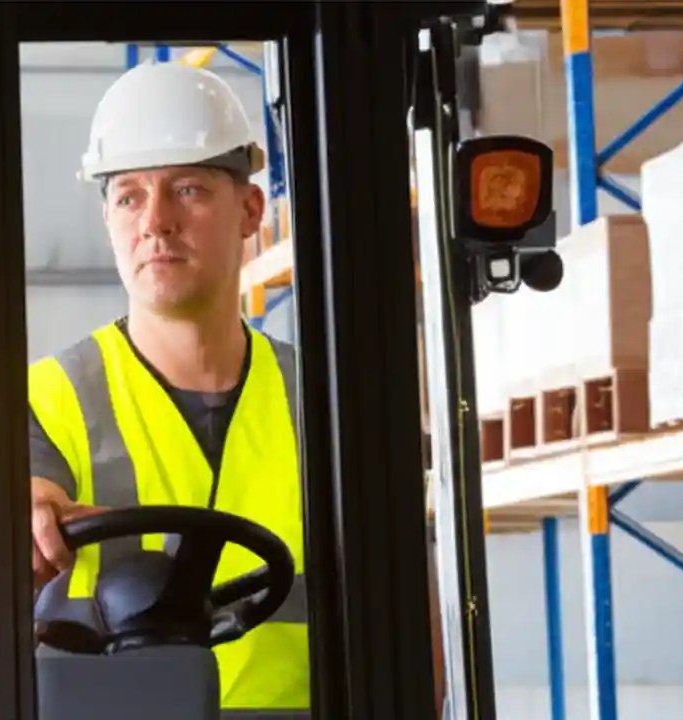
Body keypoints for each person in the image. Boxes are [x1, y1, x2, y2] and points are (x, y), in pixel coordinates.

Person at [26, 61, 443, 713]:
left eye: (188, 189)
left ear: (250, 209)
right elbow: (5, 515)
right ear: (107, 218)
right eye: (130, 195)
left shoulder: (337, 404)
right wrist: (20, 509)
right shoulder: (40, 404)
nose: (156, 221)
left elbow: (414, 616)